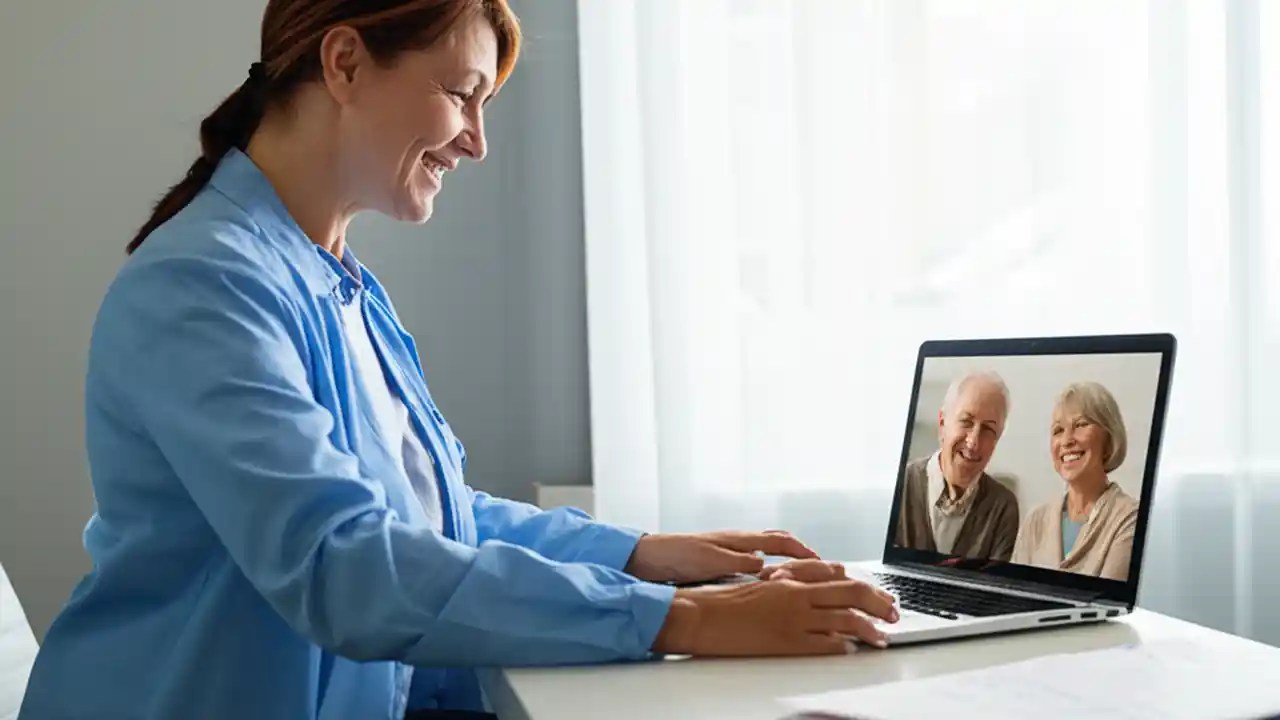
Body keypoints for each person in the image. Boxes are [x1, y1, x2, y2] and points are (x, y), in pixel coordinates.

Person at [17, 2, 900, 719]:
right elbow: (344, 566)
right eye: (462, 94)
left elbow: (432, 522)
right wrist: (685, 619)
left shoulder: (336, 285)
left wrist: (645, 555)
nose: (476, 140)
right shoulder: (205, 285)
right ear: (345, 63)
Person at [1011, 382, 1139, 581]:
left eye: (1080, 425)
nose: (1066, 440)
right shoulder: (1035, 520)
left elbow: (1107, 598)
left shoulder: (1130, 518)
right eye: (1058, 430)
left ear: (1108, 437)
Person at [895, 371, 1020, 561]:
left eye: (988, 429)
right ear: (942, 423)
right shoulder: (901, 484)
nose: (973, 442)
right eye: (966, 422)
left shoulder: (1003, 507)